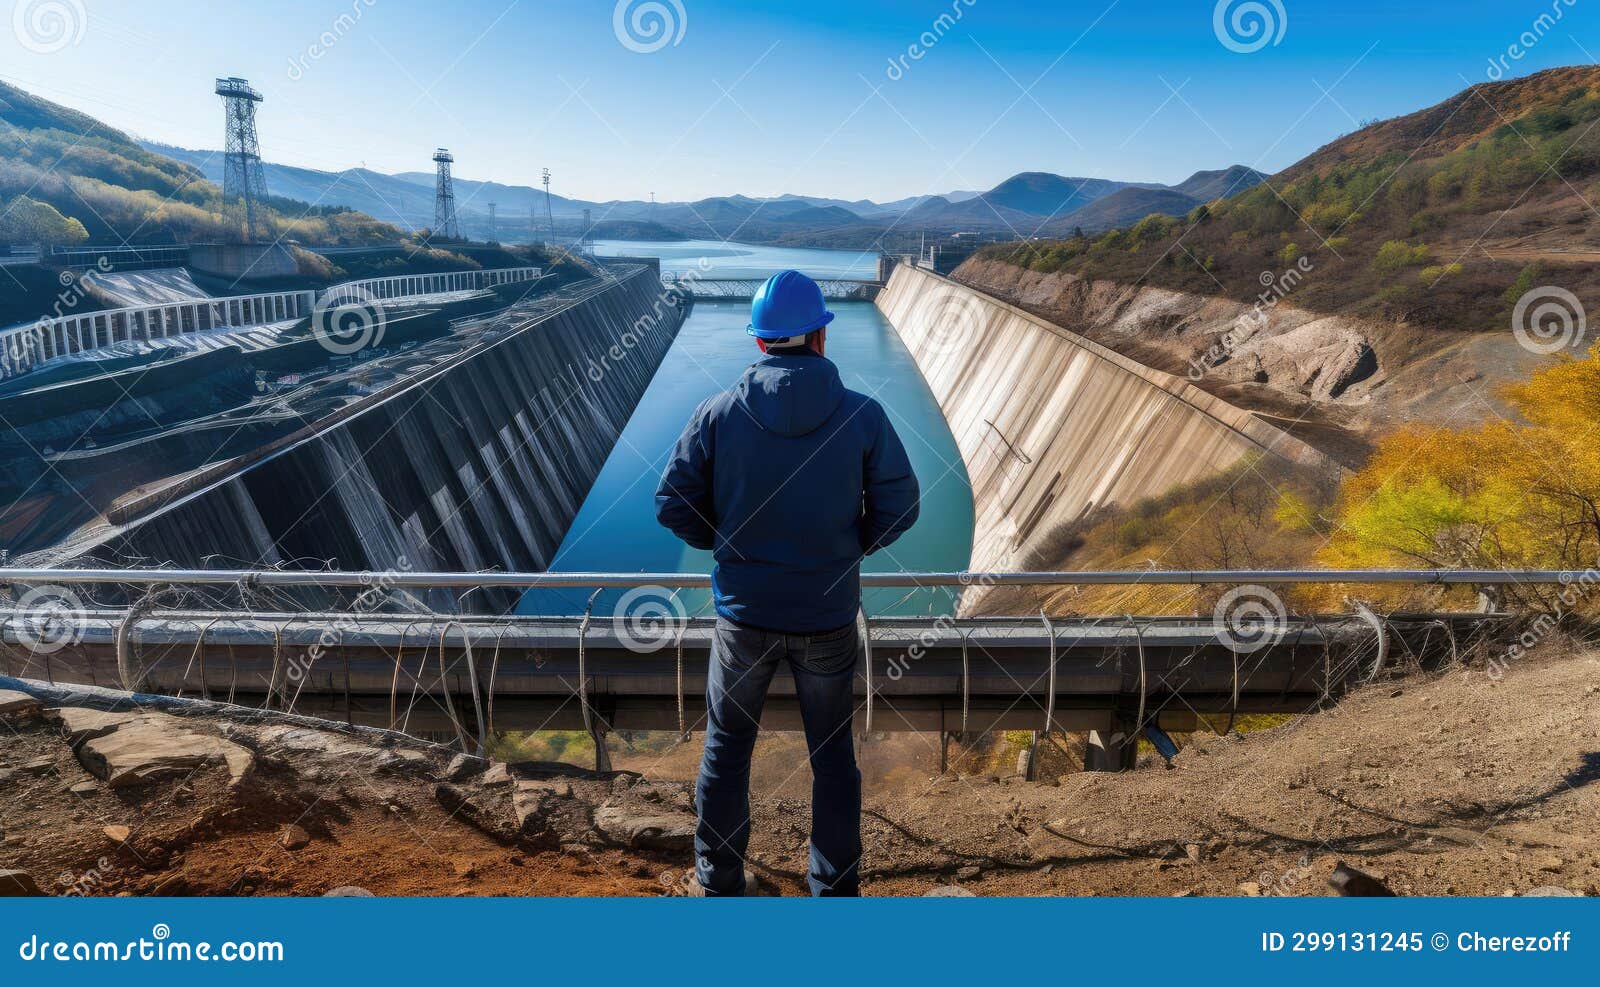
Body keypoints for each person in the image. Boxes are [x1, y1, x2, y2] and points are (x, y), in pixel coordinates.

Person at [655, 269, 921, 897]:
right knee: (832, 758)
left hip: (743, 617)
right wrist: (848, 548)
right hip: (827, 617)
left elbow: (672, 503)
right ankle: (833, 891)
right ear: (820, 337)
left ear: (760, 342)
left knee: (726, 749)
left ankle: (719, 883)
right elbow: (902, 506)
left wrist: (728, 544)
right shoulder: (863, 415)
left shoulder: (716, 414)